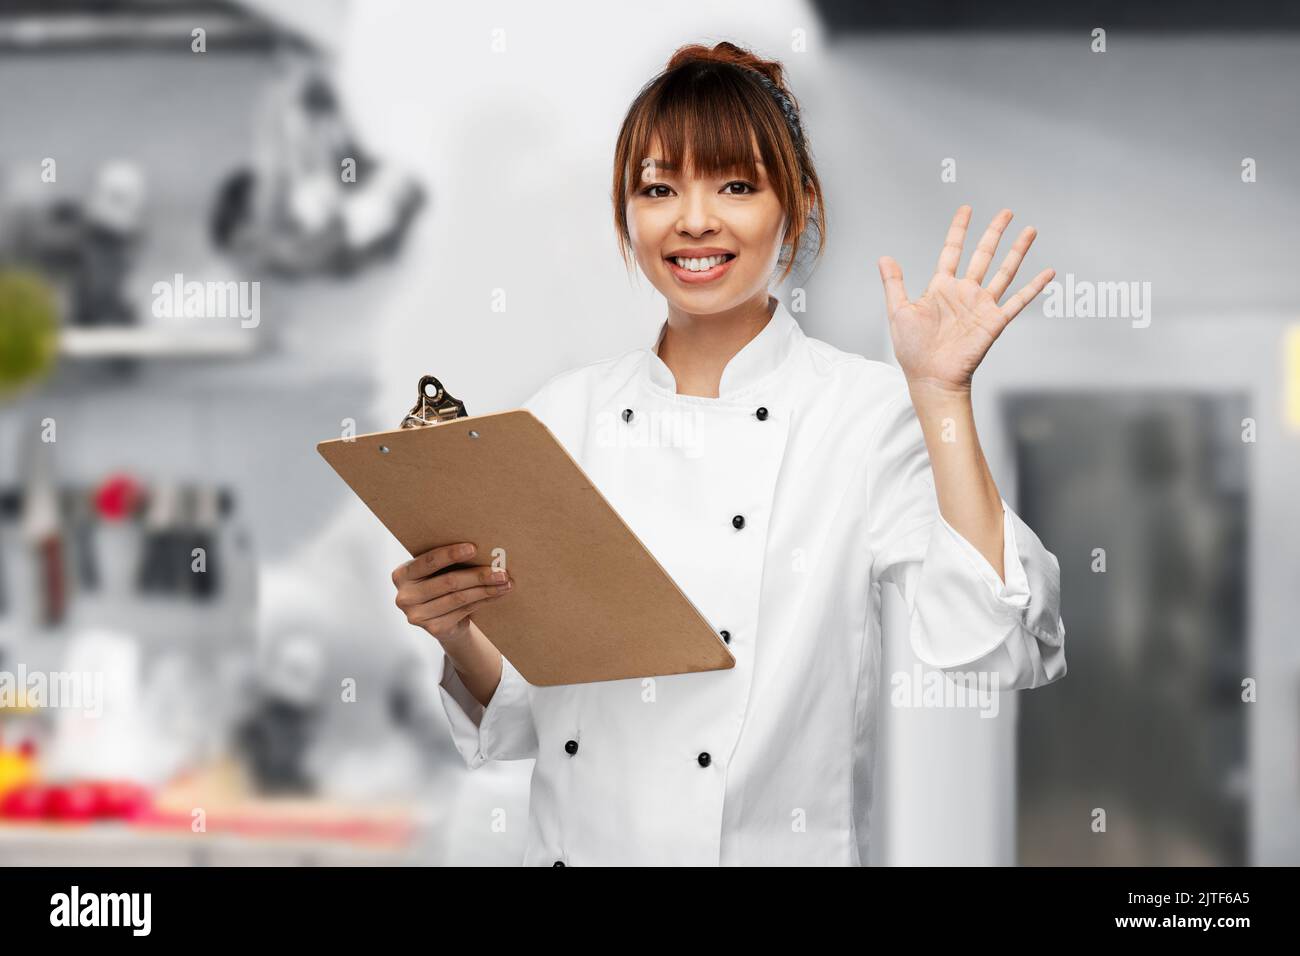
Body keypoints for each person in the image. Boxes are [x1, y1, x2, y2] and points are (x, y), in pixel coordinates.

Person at [390, 41, 1066, 866]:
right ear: (626, 213)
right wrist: (457, 627)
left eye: (735, 185)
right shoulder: (565, 414)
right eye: (658, 188)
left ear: (799, 205)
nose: (694, 220)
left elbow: (988, 649)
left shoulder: (858, 414)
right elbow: (532, 718)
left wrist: (942, 397)